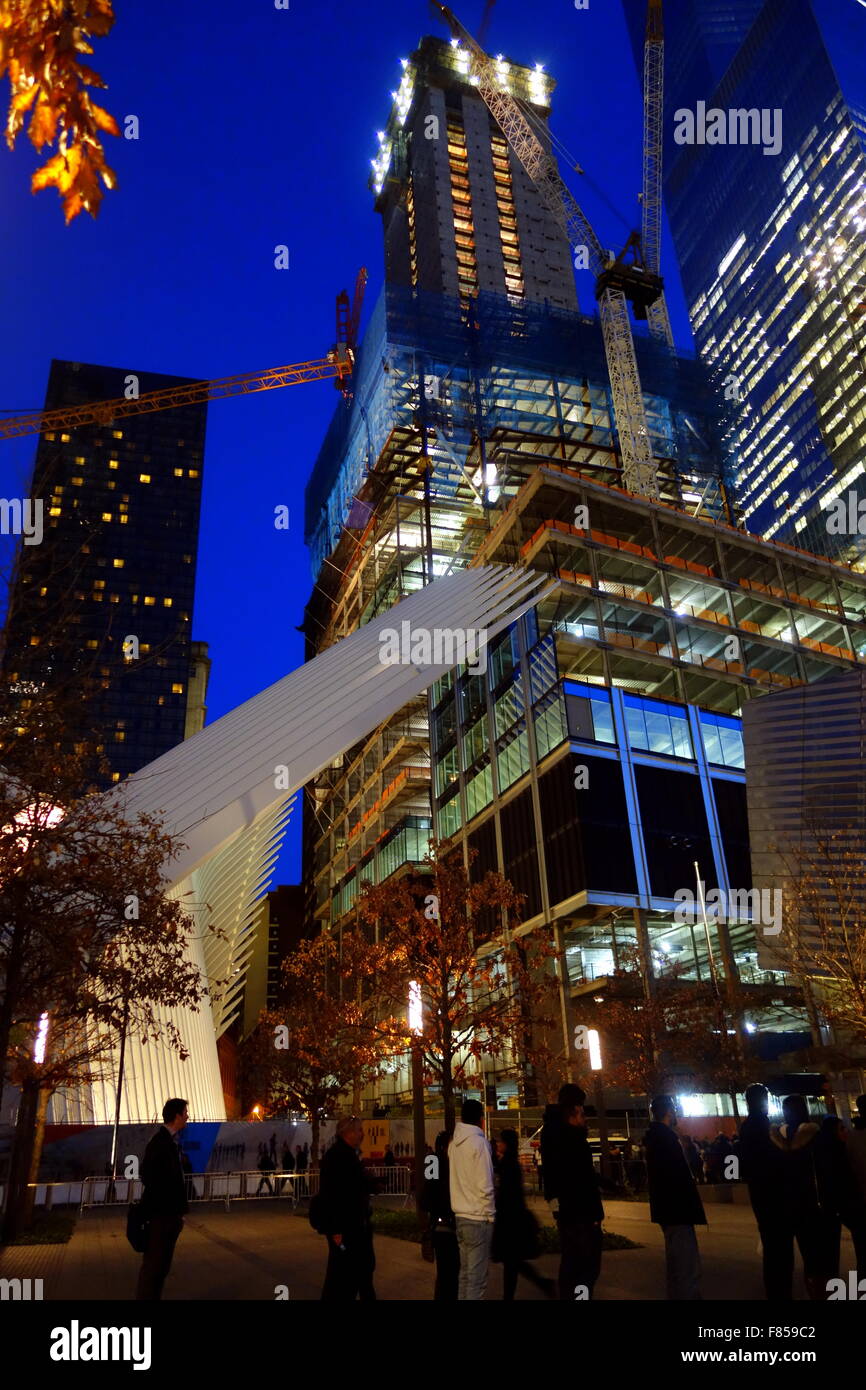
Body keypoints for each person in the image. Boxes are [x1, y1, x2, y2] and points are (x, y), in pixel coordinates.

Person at [540, 1083, 604, 1300]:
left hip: (567, 1211)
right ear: (574, 1110)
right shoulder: (573, 1139)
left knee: (572, 1263)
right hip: (582, 1213)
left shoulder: (552, 1135)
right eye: (582, 1110)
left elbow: (553, 1175)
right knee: (586, 1267)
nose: (584, 1115)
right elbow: (583, 1177)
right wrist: (595, 1215)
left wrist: (554, 1203)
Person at [769, 1094, 833, 1300]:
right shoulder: (813, 1134)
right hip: (809, 1199)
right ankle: (816, 1290)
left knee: (786, 1253)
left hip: (784, 1201)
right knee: (814, 1251)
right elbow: (824, 1169)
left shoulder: (775, 1136)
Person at [644, 1095, 706, 1300]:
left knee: (677, 1267)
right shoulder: (666, 1139)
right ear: (669, 1111)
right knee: (686, 1267)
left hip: (669, 1211)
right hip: (678, 1211)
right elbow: (676, 1176)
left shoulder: (656, 1137)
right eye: (674, 1110)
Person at [491, 1129, 555, 1300]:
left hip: (510, 1220)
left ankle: (516, 1293)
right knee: (513, 1262)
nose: (498, 1144)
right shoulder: (510, 1163)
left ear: (507, 1144)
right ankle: (541, 1283)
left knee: (511, 1262)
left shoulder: (508, 1165)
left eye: (500, 1141)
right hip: (513, 1218)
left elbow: (507, 1194)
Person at [136, 1098, 189, 1301]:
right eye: (184, 1113)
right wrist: (169, 1209)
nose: (187, 1117)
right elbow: (150, 1177)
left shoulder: (168, 1142)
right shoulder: (161, 1143)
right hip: (161, 1217)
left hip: (167, 1215)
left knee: (160, 1267)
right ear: (176, 1116)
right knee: (154, 1266)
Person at [317, 1116, 375, 1301]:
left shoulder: (344, 1155)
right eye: (359, 1130)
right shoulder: (340, 1157)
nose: (362, 1134)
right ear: (349, 1133)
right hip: (346, 1230)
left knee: (352, 1273)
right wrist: (336, 1230)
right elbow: (332, 1195)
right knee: (344, 1274)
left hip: (350, 1228)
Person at [739, 1083, 788, 1300]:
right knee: (777, 1246)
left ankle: (775, 1288)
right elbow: (770, 1159)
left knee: (771, 1243)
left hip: (759, 1190)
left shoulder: (748, 1125)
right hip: (771, 1193)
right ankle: (778, 1290)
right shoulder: (761, 1125)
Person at [449, 1099, 495, 1300]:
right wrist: (491, 1216)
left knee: (465, 1276)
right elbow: (486, 1184)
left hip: (460, 1216)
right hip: (478, 1217)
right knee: (477, 1280)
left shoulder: (454, 1145)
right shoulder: (479, 1143)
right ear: (480, 1119)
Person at [420, 1130, 459, 1300]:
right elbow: (427, 1195)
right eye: (452, 1144)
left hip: (451, 1225)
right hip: (442, 1225)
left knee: (450, 1273)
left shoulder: (454, 1162)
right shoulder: (433, 1161)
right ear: (444, 1146)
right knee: (446, 1272)